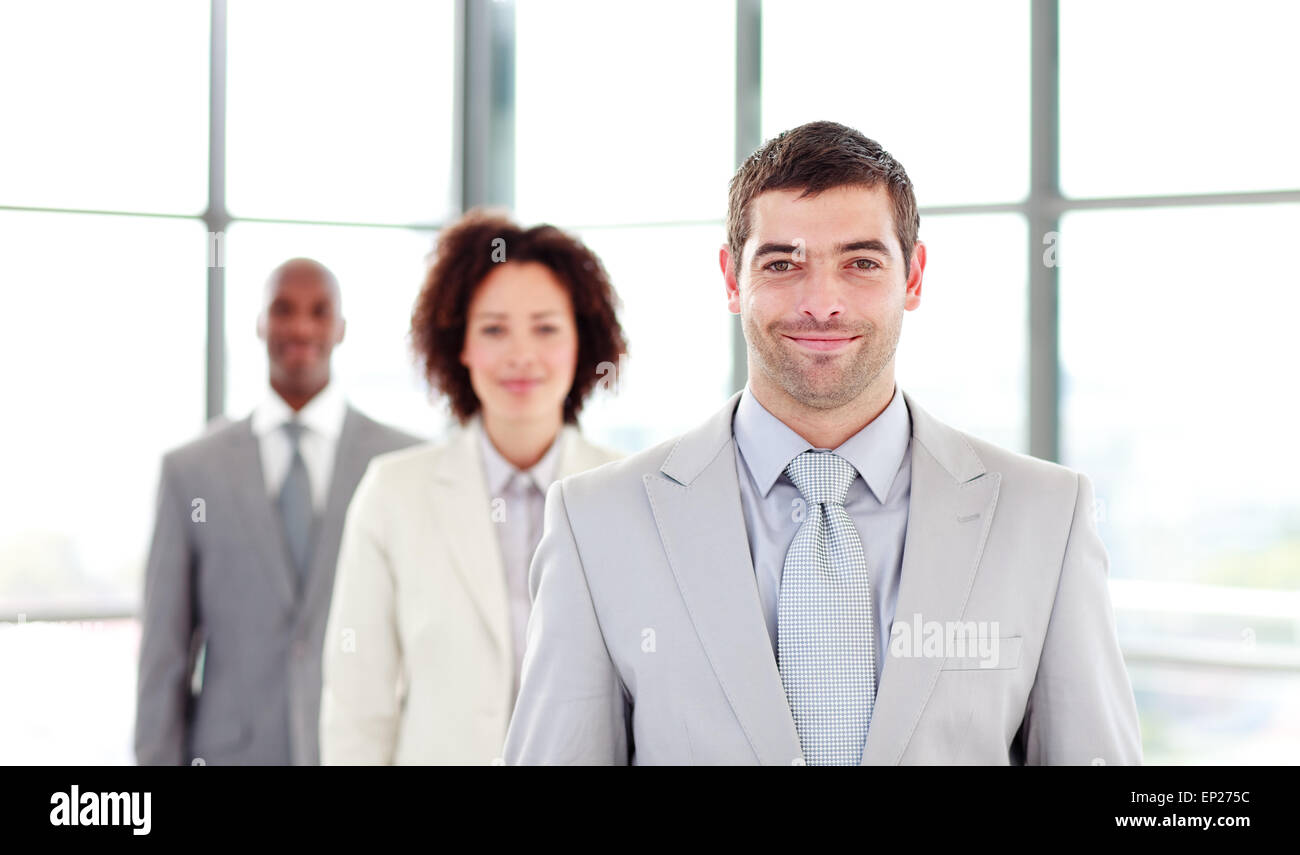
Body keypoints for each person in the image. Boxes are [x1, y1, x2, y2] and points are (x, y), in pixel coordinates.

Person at [504, 121, 1142, 765]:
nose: (822, 302)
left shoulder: (1046, 515)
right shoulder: (597, 521)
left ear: (913, 276)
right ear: (732, 279)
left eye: (861, 262)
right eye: (783, 264)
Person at [320, 211, 627, 764]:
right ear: (458, 344)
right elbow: (358, 705)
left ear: (582, 340)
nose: (520, 355)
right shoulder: (393, 493)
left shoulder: (632, 493)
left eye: (546, 327)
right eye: (493, 329)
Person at [135, 258, 421, 765]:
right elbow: (165, 652)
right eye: (283, 310)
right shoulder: (192, 471)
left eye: (319, 311)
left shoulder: (401, 464)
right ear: (261, 323)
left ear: (341, 328)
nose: (301, 327)